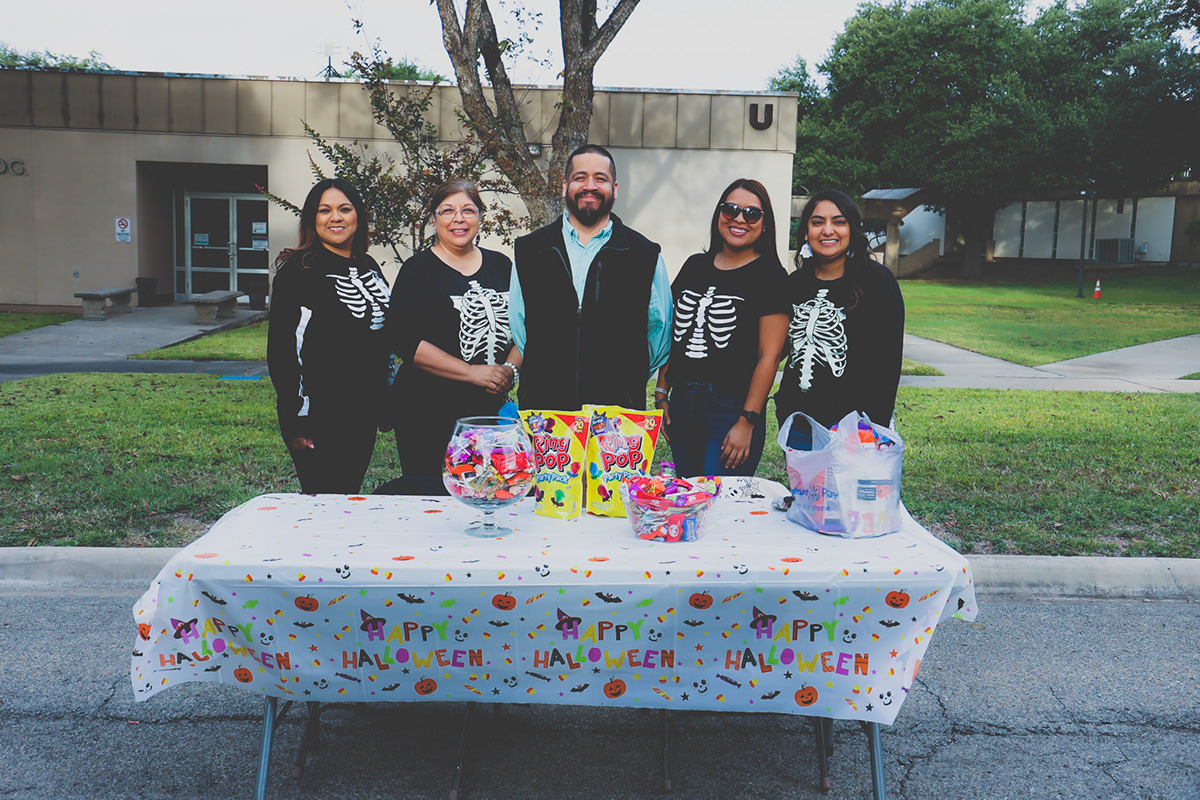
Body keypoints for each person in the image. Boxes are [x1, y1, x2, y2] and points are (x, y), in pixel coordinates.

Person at [509, 144, 673, 411]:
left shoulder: (644, 254)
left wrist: (627, 372)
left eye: (601, 178)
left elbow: (659, 330)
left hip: (618, 413)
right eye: (580, 177)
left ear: (615, 189)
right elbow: (520, 326)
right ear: (564, 187)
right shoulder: (530, 251)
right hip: (546, 412)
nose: (590, 186)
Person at [653, 179, 790, 476]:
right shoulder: (694, 266)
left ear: (765, 224)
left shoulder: (771, 276)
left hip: (731, 407)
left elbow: (770, 356)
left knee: (722, 507)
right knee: (689, 498)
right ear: (719, 215)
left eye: (752, 214)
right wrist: (662, 394)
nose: (739, 219)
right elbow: (675, 335)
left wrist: (747, 421)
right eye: (730, 210)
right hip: (682, 403)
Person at [386, 179, 518, 476]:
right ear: (434, 219)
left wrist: (508, 370)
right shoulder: (417, 270)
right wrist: (472, 372)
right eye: (447, 211)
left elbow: (525, 326)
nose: (459, 218)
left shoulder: (502, 266)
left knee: (488, 488)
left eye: (468, 210)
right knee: (432, 497)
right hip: (427, 409)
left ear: (480, 218)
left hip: (489, 407)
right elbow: (405, 340)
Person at [267, 178, 391, 493]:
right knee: (324, 501)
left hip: (362, 412)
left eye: (344, 209)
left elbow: (383, 338)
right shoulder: (297, 271)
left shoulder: (368, 265)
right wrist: (295, 419)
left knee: (348, 495)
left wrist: (386, 402)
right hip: (320, 414)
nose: (335, 217)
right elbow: (283, 351)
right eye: (324, 210)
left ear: (358, 217)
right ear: (312, 219)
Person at [774, 189, 905, 447]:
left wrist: (875, 428)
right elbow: (777, 348)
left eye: (839, 221)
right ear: (805, 232)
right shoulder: (796, 284)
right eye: (817, 222)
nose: (828, 230)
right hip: (799, 423)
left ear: (852, 230)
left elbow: (889, 361)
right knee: (803, 489)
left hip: (856, 429)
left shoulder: (878, 282)